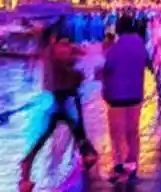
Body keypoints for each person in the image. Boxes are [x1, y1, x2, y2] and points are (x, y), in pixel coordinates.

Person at [21, 28, 96, 191]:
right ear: (54, 38)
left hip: (53, 97)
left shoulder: (48, 51)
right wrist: (77, 72)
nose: (66, 46)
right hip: (64, 97)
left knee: (48, 135)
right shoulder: (57, 53)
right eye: (63, 42)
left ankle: (26, 172)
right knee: (76, 128)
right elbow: (68, 72)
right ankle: (87, 155)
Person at [100, 15, 150, 183]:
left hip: (116, 95)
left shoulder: (115, 47)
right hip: (135, 94)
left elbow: (107, 68)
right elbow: (146, 63)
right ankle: (132, 164)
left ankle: (119, 166)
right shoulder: (140, 45)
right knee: (133, 132)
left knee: (117, 133)